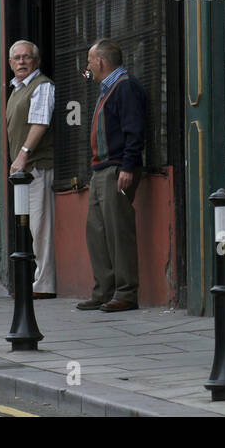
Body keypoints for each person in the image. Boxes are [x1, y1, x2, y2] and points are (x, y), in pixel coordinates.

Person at [77, 38, 148, 312]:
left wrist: (128, 167)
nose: (88, 68)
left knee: (119, 232)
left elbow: (134, 129)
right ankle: (104, 290)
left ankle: (126, 292)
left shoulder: (125, 87)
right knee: (96, 232)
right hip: (100, 171)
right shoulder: (108, 88)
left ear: (101, 62)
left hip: (117, 169)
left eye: (90, 62)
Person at [5, 40, 56, 298]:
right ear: (10, 63)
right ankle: (36, 280)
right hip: (22, 173)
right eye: (17, 58)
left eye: (27, 57)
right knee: (30, 227)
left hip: (36, 167)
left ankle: (44, 285)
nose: (22, 62)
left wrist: (23, 155)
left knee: (40, 227)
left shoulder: (42, 86)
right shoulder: (16, 90)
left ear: (36, 61)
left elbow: (40, 122)